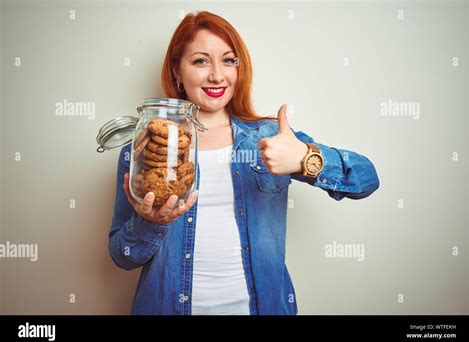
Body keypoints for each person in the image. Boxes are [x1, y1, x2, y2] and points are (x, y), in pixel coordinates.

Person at [108, 11, 380, 315]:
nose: (217, 75)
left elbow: (367, 178)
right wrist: (151, 223)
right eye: (200, 61)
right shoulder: (149, 147)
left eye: (229, 60)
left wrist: (305, 158)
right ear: (176, 71)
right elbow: (123, 256)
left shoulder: (269, 137)